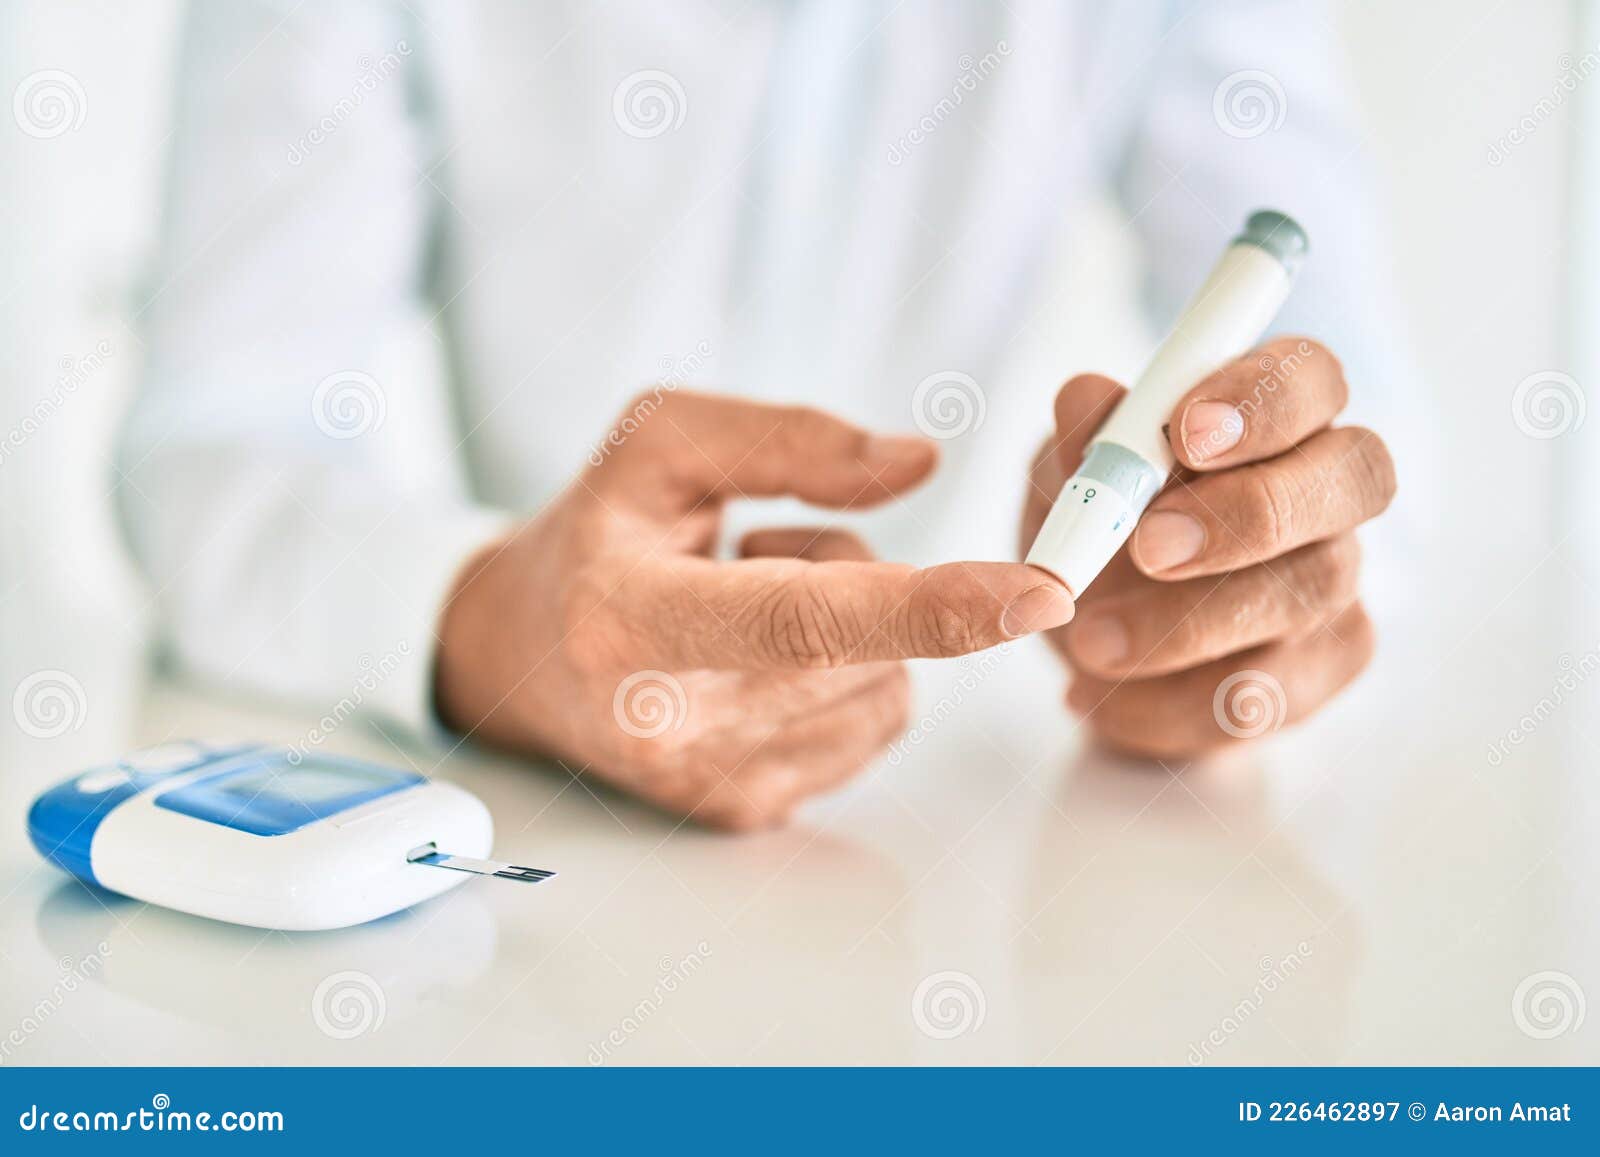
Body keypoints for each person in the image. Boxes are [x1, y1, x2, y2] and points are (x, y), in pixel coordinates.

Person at [119, 1, 1395, 829]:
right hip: (543, 829)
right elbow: (214, 442)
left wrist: (1212, 582)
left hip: (910, 849)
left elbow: (1365, 418)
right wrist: (492, 620)